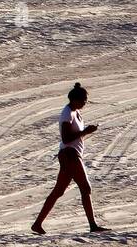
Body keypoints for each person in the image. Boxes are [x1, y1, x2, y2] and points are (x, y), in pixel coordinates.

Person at [32, 83, 108, 234]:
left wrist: (86, 131)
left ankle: (37, 224)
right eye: (83, 100)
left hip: (69, 154)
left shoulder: (75, 112)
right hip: (70, 154)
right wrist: (85, 131)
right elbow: (66, 138)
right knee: (85, 188)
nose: (85, 103)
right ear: (74, 100)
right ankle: (93, 225)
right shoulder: (67, 113)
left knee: (58, 192)